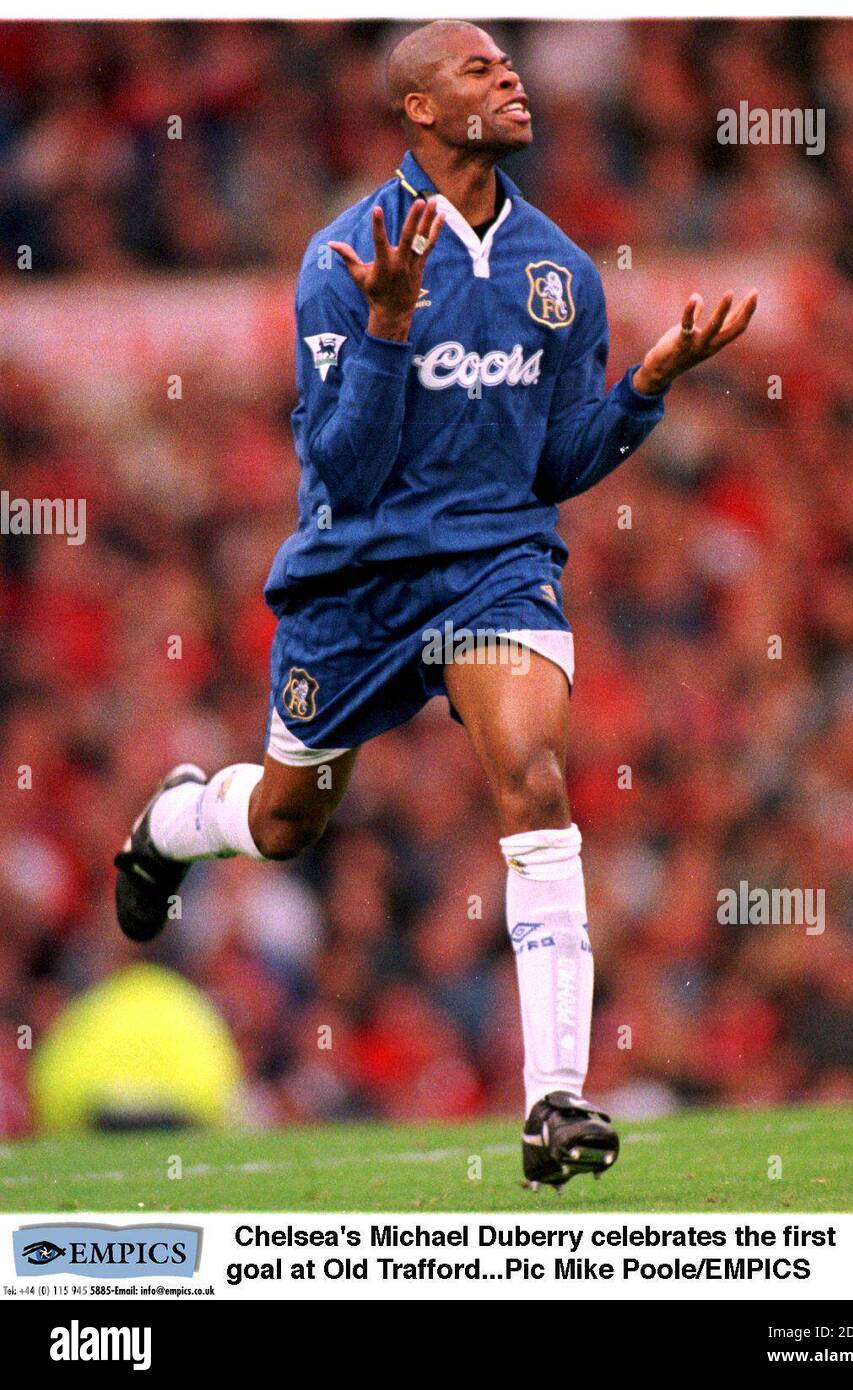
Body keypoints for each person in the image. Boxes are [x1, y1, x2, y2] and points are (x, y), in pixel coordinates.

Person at [115, 19, 756, 1189]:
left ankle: (554, 1099)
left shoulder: (561, 273)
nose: (510, 78)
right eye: (479, 68)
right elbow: (345, 470)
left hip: (494, 564)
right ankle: (174, 822)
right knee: (286, 824)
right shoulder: (342, 258)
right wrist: (388, 326)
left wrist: (644, 389)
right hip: (358, 576)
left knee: (536, 779)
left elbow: (554, 464)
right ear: (418, 107)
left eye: (510, 63)